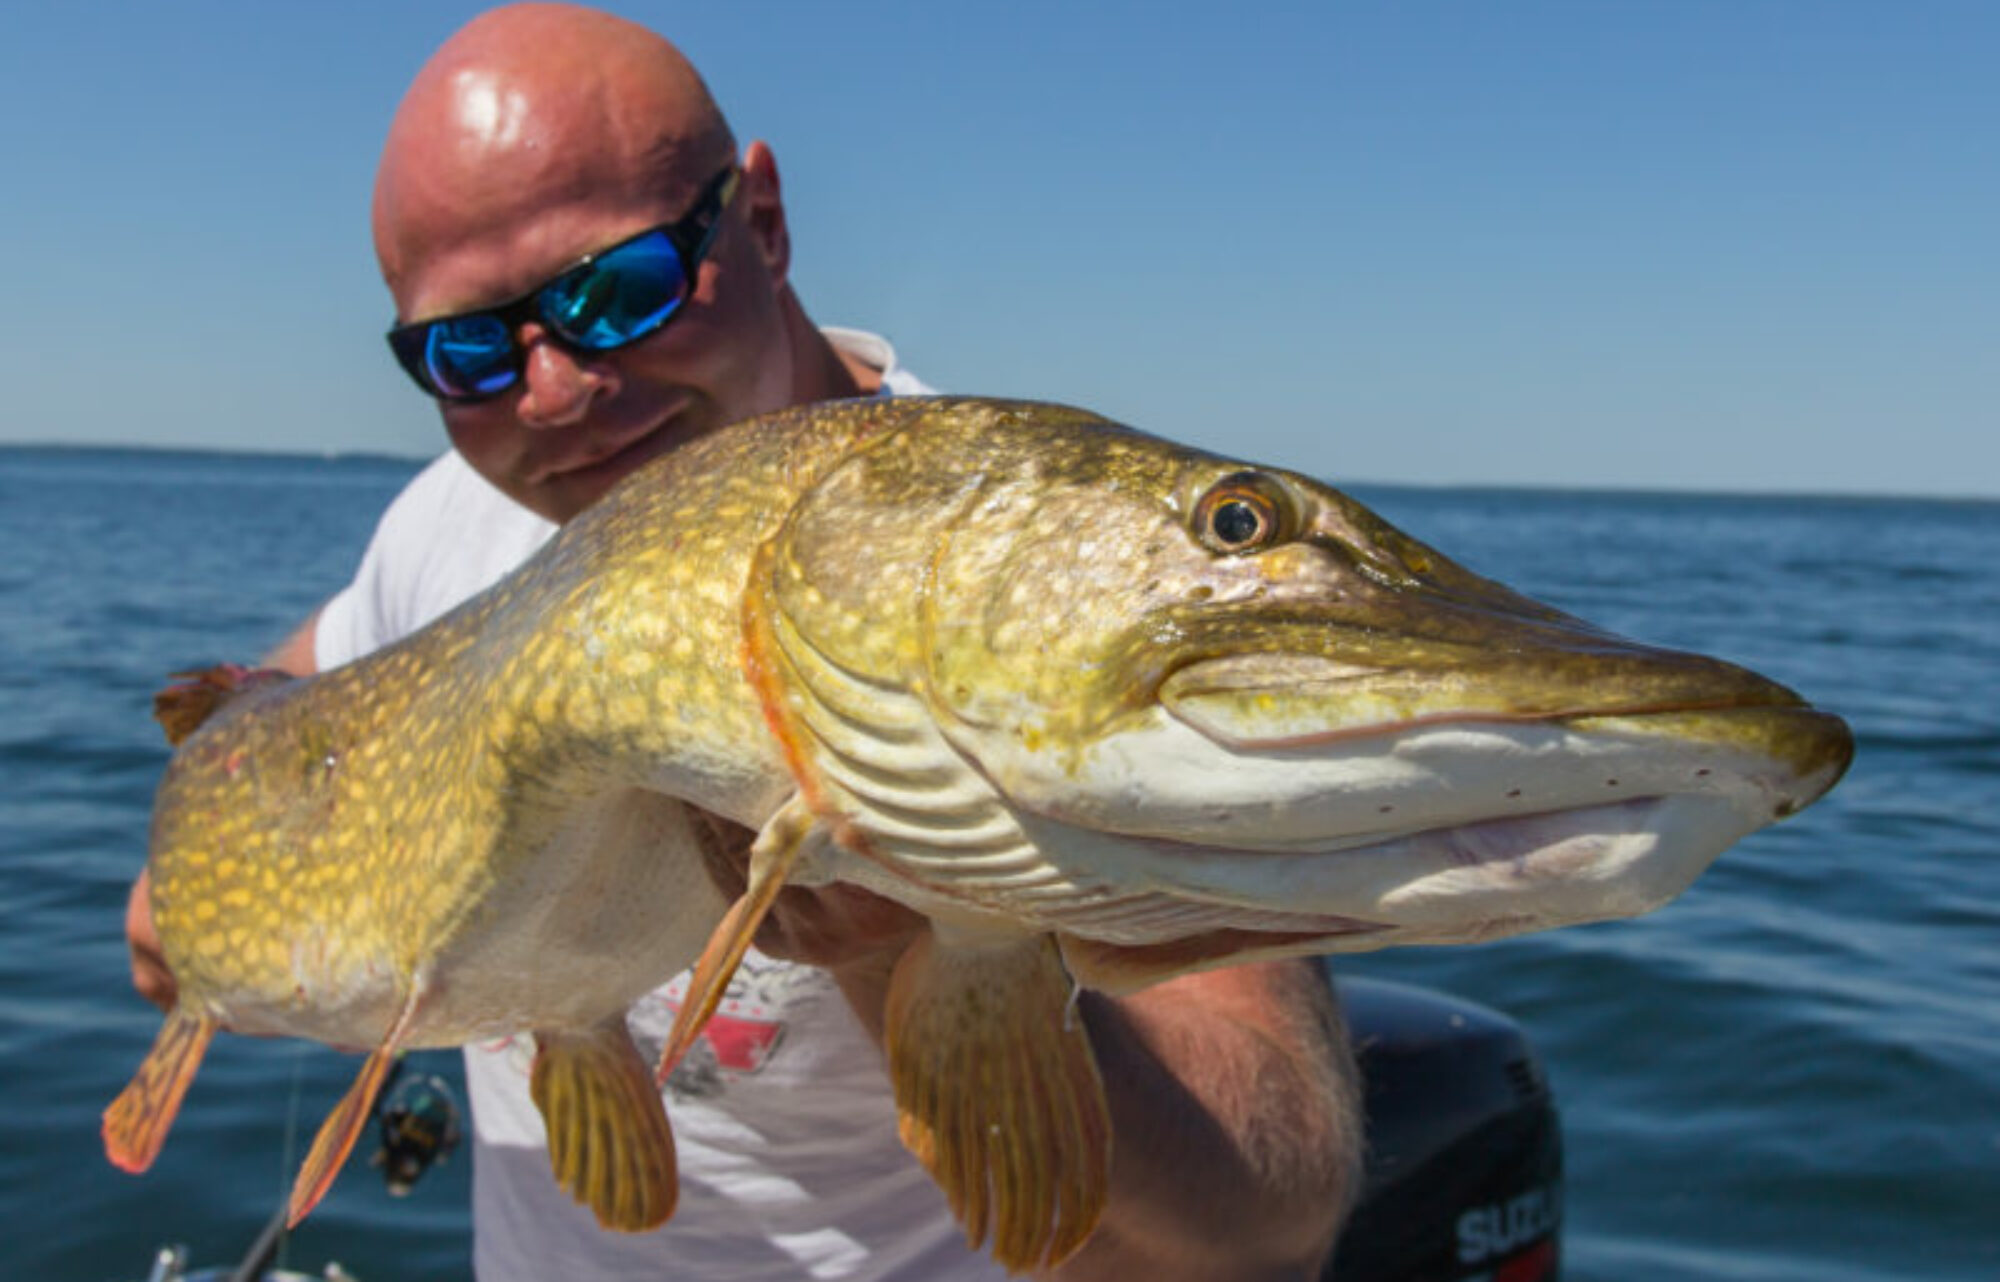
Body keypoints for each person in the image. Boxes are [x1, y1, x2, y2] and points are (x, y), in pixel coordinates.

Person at [124, 5, 1362, 1278]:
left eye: (616, 290)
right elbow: (320, 666)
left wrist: (901, 945)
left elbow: (1274, 1208)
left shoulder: (1005, 576)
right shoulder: (461, 519)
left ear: (760, 219)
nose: (551, 393)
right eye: (466, 350)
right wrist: (205, 834)